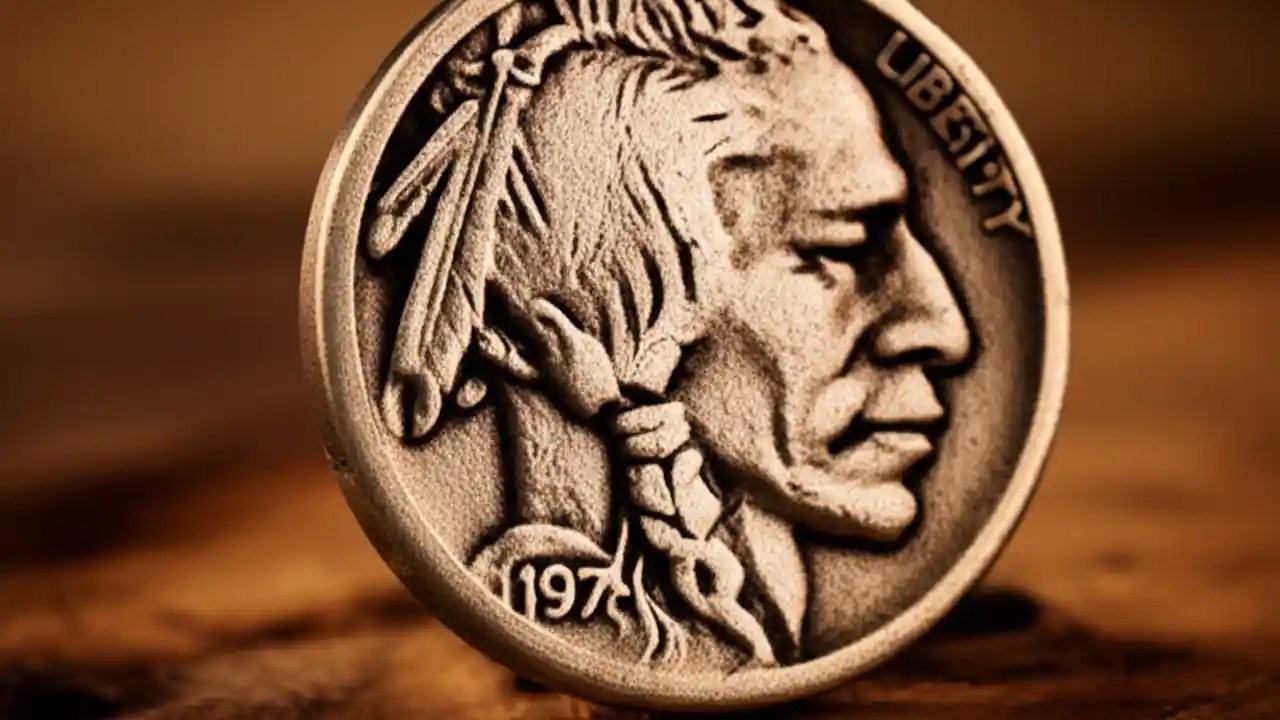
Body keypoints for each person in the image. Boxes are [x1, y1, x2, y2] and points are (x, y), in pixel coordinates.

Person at [369, 0, 972, 668]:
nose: (947, 329)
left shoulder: (741, 575)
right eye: (842, 246)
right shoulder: (606, 608)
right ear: (587, 323)